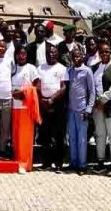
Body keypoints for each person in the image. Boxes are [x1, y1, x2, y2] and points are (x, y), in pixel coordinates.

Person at [37, 43, 68, 172]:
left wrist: (52, 99)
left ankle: (59, 162)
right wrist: (42, 100)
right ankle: (46, 162)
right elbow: (38, 86)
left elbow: (63, 87)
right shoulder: (40, 68)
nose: (51, 55)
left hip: (57, 104)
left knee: (59, 135)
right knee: (45, 134)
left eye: (54, 52)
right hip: (43, 103)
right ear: (45, 54)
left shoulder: (62, 68)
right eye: (49, 53)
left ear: (58, 54)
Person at [92, 42, 111, 174]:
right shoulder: (95, 67)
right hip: (97, 106)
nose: (104, 54)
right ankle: (100, 163)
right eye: (102, 52)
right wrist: (96, 101)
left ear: (110, 53)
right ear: (98, 53)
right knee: (100, 134)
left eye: (107, 51)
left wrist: (103, 99)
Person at [11, 45, 40, 173]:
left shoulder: (31, 68)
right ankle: (17, 161)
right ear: (16, 55)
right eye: (19, 54)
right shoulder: (13, 68)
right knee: (16, 136)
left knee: (25, 137)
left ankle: (25, 163)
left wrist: (23, 93)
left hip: (26, 107)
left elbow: (37, 87)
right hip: (14, 106)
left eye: (23, 54)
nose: (21, 56)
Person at [66, 46, 94, 175]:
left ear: (82, 57)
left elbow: (92, 91)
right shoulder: (69, 71)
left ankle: (82, 165)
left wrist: (88, 109)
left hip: (82, 109)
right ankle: (73, 162)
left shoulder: (87, 71)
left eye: (78, 56)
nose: (76, 58)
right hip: (71, 109)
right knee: (72, 137)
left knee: (82, 139)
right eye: (74, 56)